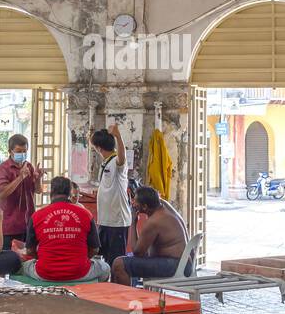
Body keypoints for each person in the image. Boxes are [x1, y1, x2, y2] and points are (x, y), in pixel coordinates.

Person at [21, 175, 109, 283]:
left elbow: (29, 250)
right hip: (80, 272)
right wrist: (77, 261)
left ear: (51, 192)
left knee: (22, 266)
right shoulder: (86, 214)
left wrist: (45, 260)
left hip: (45, 273)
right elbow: (95, 249)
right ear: (69, 193)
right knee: (105, 268)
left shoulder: (36, 216)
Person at [113, 186, 188, 285]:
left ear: (144, 207)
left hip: (176, 265)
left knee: (119, 264)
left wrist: (133, 222)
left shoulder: (154, 221)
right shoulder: (166, 208)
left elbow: (137, 253)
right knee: (123, 260)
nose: (132, 204)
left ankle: (124, 299)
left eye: (135, 201)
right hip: (183, 263)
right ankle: (114, 297)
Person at [91, 122, 130, 267]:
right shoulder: (105, 162)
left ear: (99, 148)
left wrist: (118, 136)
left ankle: (119, 288)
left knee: (117, 262)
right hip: (105, 221)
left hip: (117, 222)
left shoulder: (116, 162)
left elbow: (122, 158)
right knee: (104, 260)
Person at [0, 133, 41, 245]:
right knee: (10, 260)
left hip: (28, 224)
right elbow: (1, 194)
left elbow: (37, 191)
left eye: (25, 151)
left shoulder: (28, 166)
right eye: (19, 151)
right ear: (10, 151)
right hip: (9, 226)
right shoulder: (3, 169)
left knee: (27, 259)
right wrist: (20, 177)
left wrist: (38, 179)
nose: (22, 154)